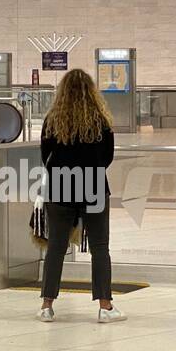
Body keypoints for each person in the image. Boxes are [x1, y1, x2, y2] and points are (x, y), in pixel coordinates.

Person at [37, 68, 123, 324]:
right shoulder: (101, 120)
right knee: (99, 248)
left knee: (56, 247)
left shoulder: (53, 119)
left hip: (60, 187)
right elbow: (107, 157)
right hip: (93, 186)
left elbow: (45, 156)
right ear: (91, 92)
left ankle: (46, 306)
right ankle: (105, 306)